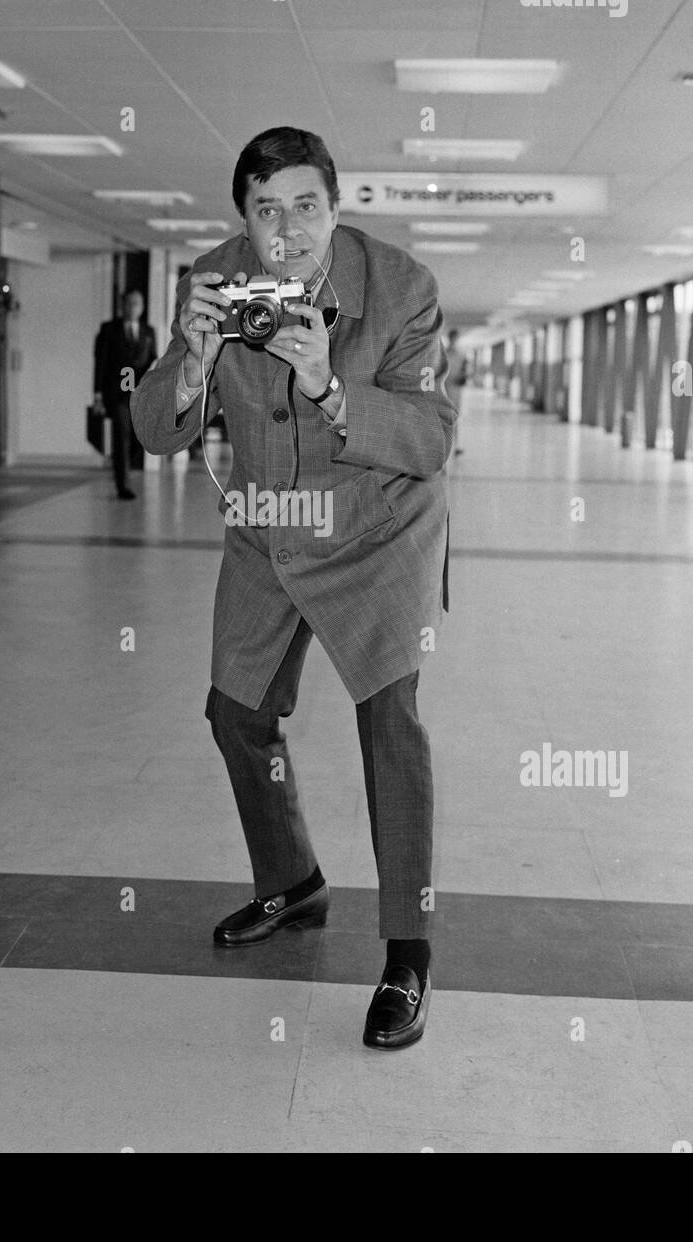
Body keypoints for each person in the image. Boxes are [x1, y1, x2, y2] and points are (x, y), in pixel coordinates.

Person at [131, 126, 455, 1049]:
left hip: (382, 524)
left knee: (390, 720)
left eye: (306, 206)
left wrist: (331, 389)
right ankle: (295, 882)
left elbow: (431, 438)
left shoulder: (402, 289)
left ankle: (408, 950)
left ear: (336, 207)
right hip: (271, 521)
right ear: (244, 219)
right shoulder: (216, 279)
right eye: (266, 211)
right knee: (235, 713)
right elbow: (154, 430)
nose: (287, 231)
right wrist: (192, 362)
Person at [93, 289, 157, 499]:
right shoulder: (109, 329)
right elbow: (100, 363)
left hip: (139, 393)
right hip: (117, 393)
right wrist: (98, 394)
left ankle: (123, 464)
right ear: (122, 306)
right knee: (121, 436)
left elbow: (153, 360)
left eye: (137, 303)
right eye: (129, 303)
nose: (133, 308)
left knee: (139, 437)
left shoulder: (148, 331)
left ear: (142, 307)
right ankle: (123, 485)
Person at [445, 328, 469, 456]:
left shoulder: (462, 355)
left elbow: (465, 373)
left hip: (456, 390)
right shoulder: (442, 353)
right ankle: (446, 445)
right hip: (443, 389)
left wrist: (463, 377)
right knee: (445, 417)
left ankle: (457, 445)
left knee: (456, 418)